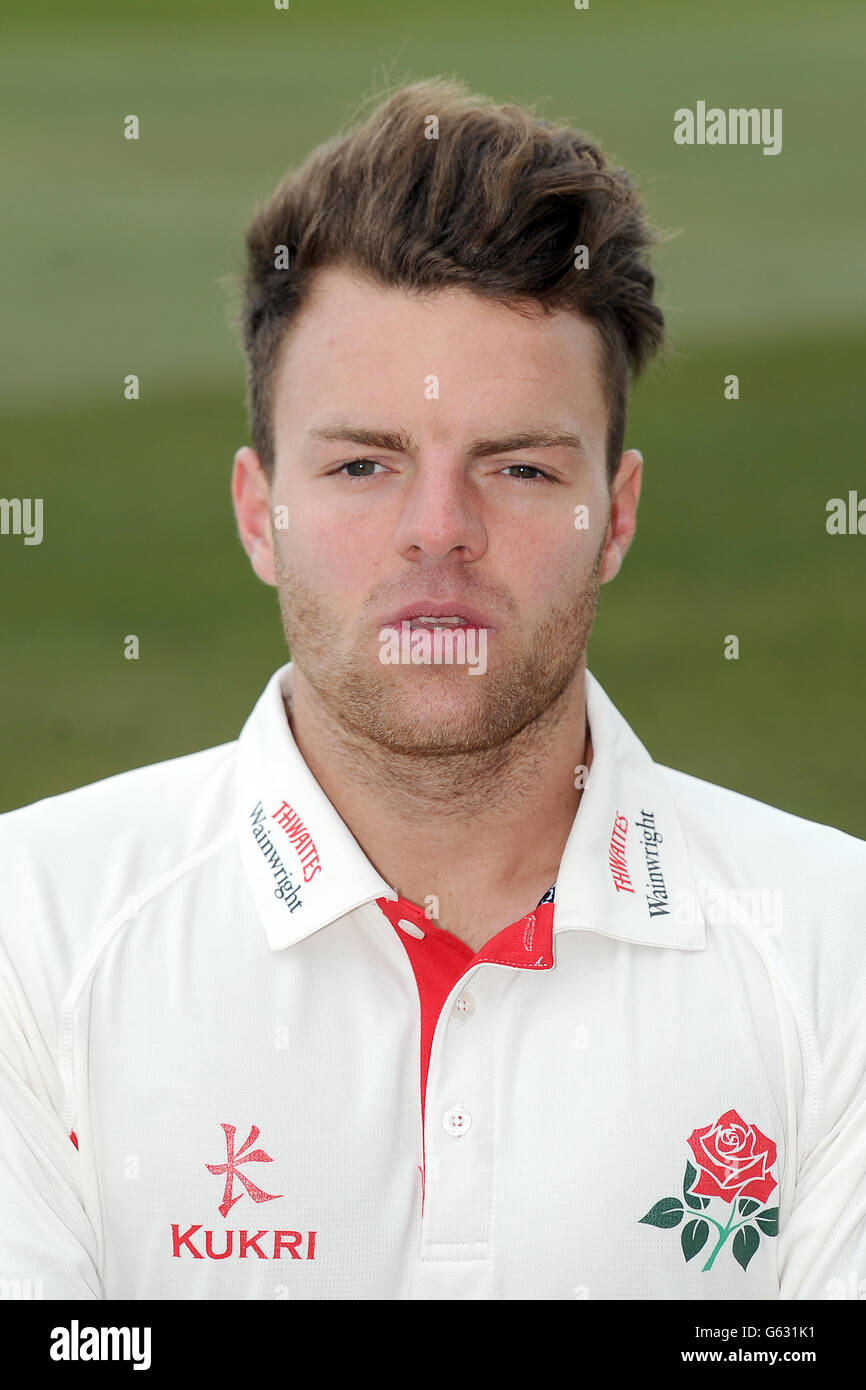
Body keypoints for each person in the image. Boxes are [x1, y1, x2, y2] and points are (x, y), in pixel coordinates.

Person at [1, 77, 863, 1302]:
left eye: (518, 468)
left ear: (614, 516)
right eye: (364, 464)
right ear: (258, 512)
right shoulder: (29, 936)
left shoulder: (836, 950)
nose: (437, 530)